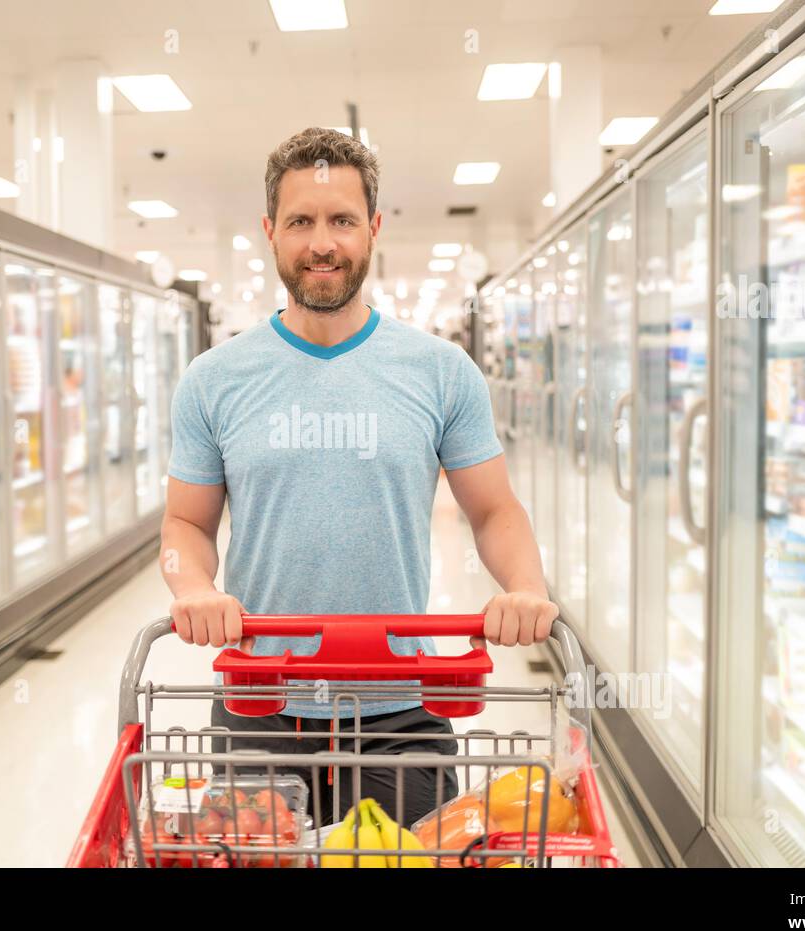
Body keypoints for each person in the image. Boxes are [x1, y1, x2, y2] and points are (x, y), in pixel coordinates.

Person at [159, 126, 558, 827]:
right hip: (259, 697)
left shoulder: (440, 372)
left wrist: (525, 588)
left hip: (401, 701)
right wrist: (193, 586)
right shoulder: (213, 380)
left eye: (342, 219)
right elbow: (186, 523)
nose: (323, 243)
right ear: (270, 232)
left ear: (372, 228)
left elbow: (494, 510)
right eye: (301, 222)